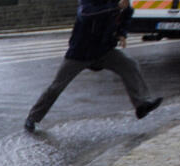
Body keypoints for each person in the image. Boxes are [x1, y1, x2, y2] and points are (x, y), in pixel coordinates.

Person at [25, 0, 162, 132]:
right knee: (57, 86)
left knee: (129, 65)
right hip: (80, 52)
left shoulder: (116, 2)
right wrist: (116, 7)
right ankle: (33, 118)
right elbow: (87, 14)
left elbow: (128, 12)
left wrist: (121, 33)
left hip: (104, 50)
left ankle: (141, 105)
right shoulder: (88, 2)